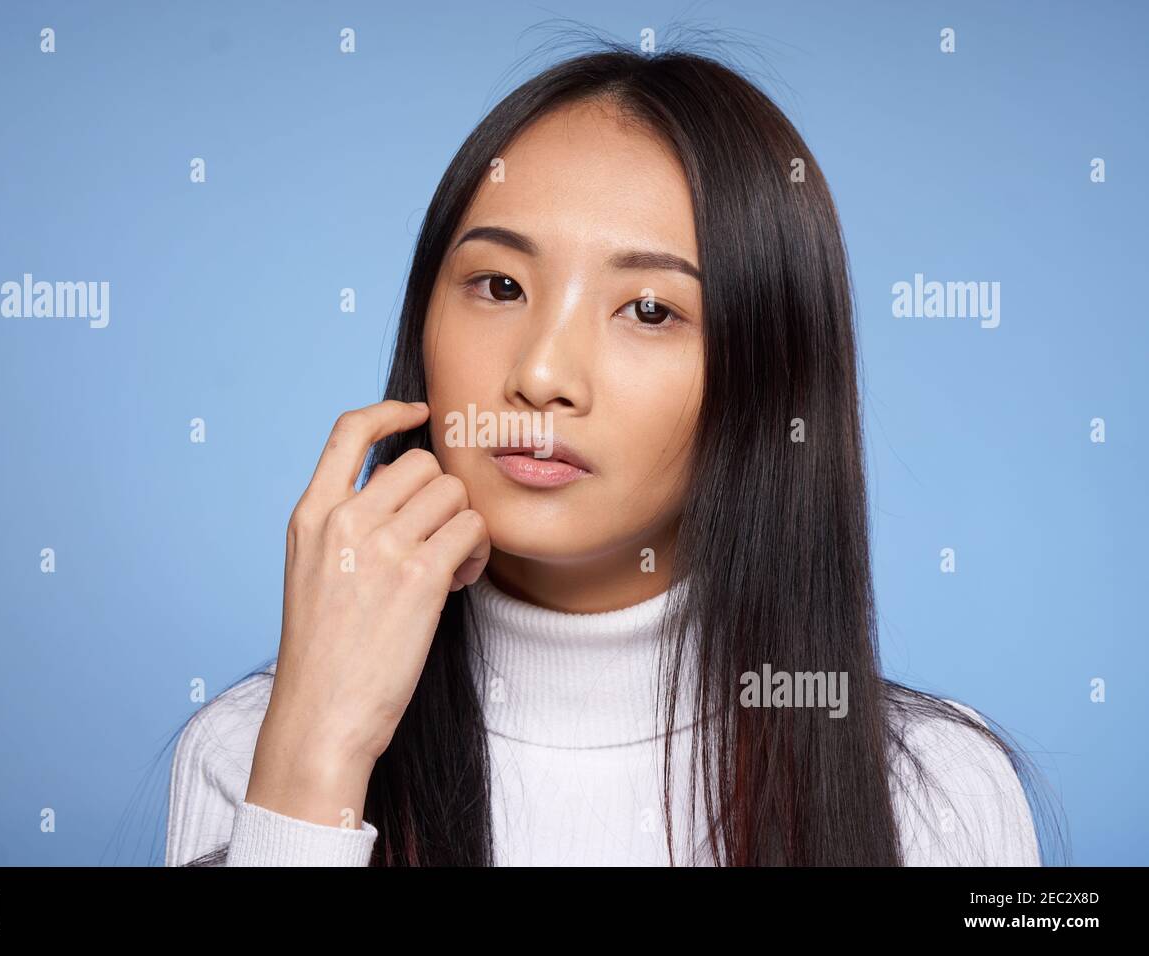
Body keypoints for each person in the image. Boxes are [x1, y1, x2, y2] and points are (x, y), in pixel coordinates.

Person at [165, 43, 1046, 866]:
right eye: (500, 286)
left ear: (767, 378)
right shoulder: (252, 747)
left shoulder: (936, 795)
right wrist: (315, 759)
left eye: (651, 310)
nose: (543, 374)